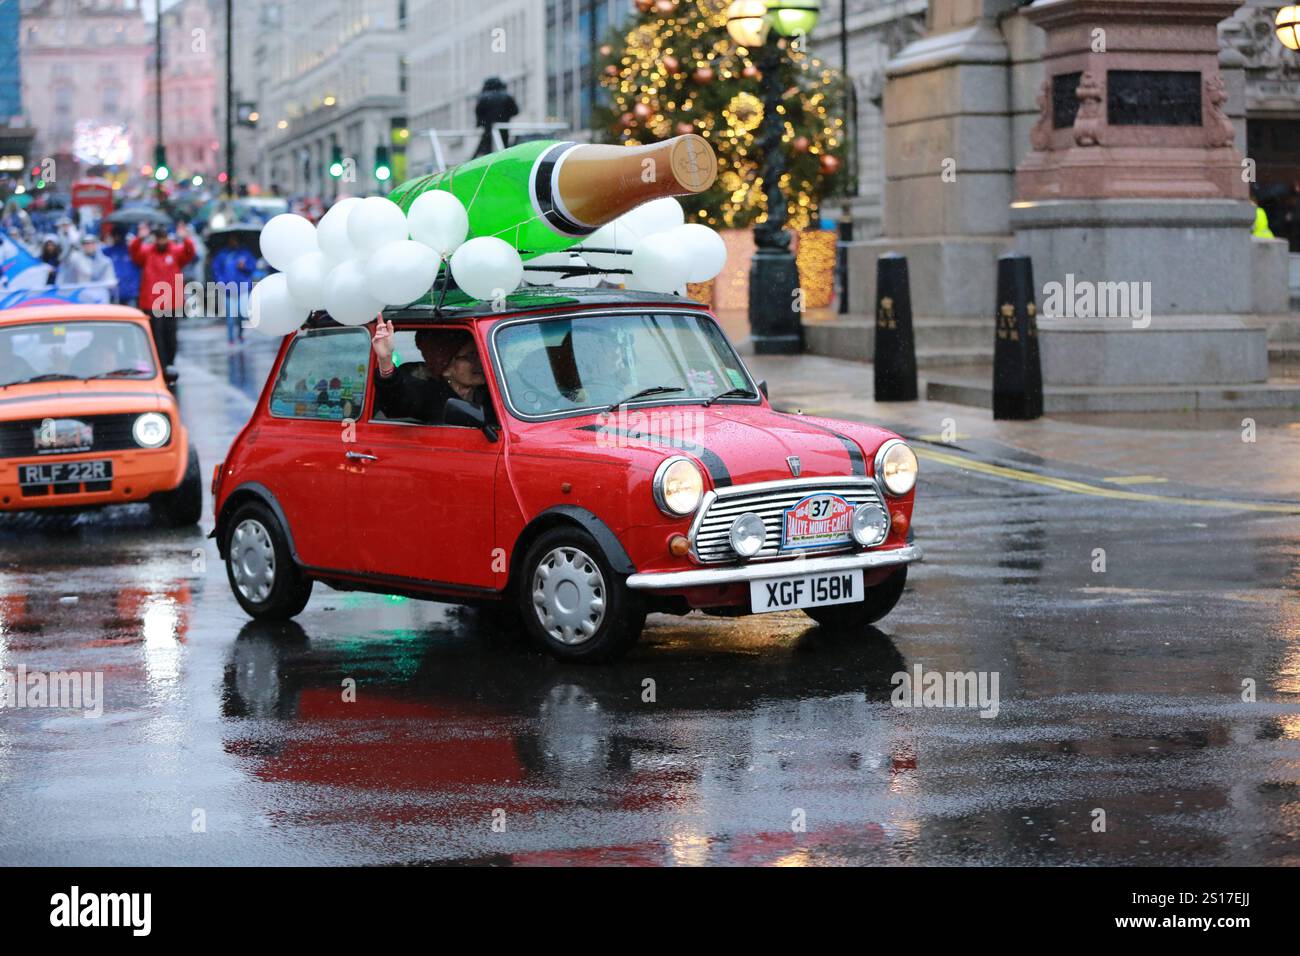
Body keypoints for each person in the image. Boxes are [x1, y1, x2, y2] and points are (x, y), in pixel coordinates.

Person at [370, 320, 488, 423]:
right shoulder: (428, 394)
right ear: (446, 368)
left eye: (480, 354)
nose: (480, 362)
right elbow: (396, 404)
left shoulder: (490, 391)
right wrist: (385, 362)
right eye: (471, 356)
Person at [130, 221, 195, 366]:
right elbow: (134, 253)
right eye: (158, 238)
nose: (161, 241)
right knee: (156, 337)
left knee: (171, 337)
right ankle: (161, 365)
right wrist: (139, 238)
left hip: (171, 303)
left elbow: (190, 253)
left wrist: (186, 238)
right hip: (152, 303)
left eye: (163, 237)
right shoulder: (147, 252)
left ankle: (169, 363)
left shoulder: (175, 251)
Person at [56, 235, 117, 304]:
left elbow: (110, 280)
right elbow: (64, 263)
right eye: (86, 243)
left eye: (91, 243)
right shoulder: (75, 259)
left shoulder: (105, 261)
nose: (89, 246)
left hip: (100, 296)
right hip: (81, 296)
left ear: (96, 245)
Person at [473, 77, 519, 157]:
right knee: (503, 148)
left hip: (488, 129)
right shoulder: (507, 96)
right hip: (503, 128)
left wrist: (483, 123)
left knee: (487, 152)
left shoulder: (483, 97)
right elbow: (515, 111)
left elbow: (479, 113)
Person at [101, 229, 141, 306]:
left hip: (130, 292)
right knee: (115, 317)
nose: (117, 238)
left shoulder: (132, 251)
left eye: (119, 236)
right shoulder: (107, 251)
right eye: (115, 236)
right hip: (114, 292)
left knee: (131, 316)